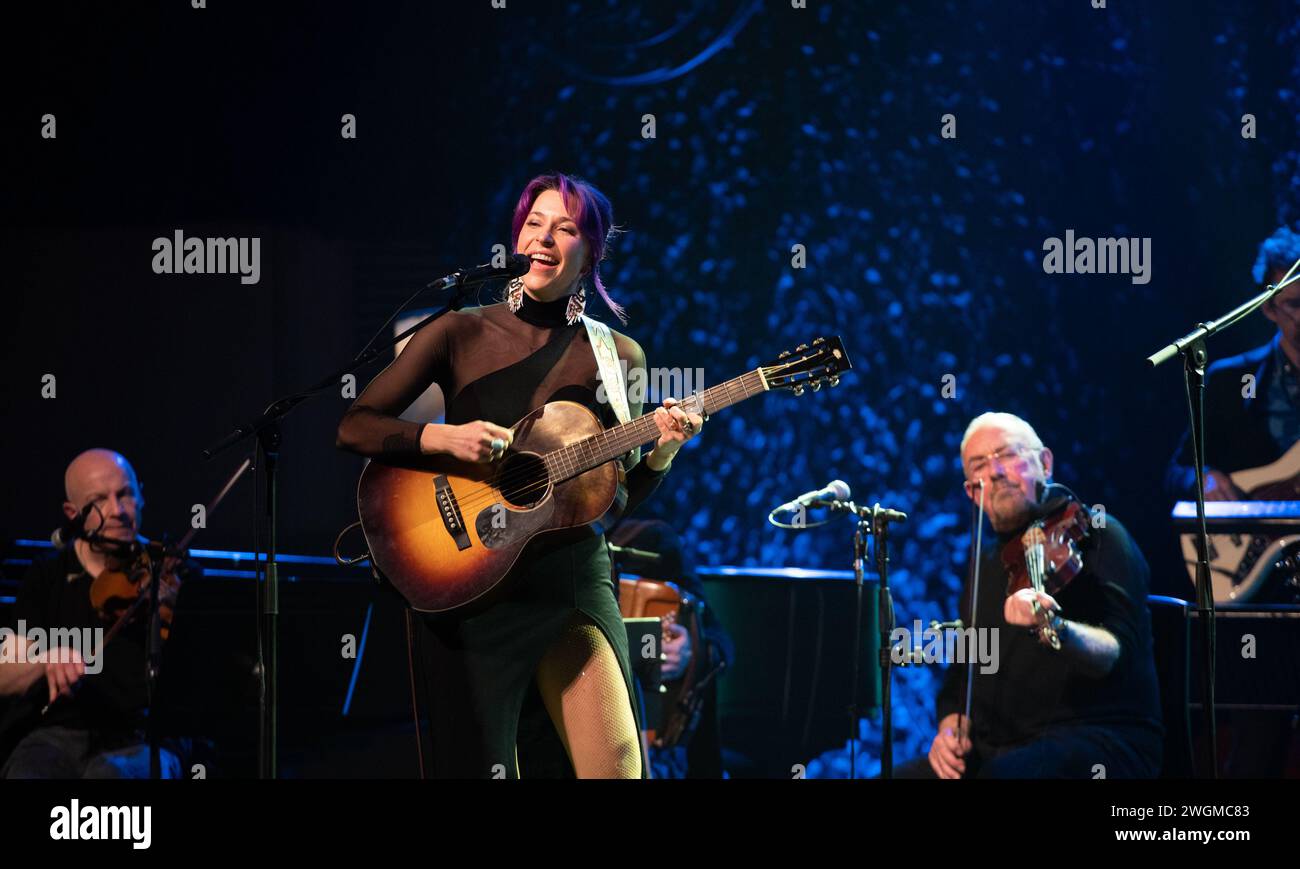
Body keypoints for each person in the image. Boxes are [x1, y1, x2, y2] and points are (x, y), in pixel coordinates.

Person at [336, 173, 704, 778]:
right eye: (535, 223)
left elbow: (616, 500)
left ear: (592, 251)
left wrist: (662, 453)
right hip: (472, 579)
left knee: (616, 767)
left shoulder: (621, 357)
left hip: (571, 585)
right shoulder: (459, 330)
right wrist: (443, 436)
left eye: (566, 228)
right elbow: (355, 426)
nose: (544, 238)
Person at [898, 412, 1162, 779]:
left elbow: (1117, 654)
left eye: (1007, 454)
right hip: (999, 750)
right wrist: (949, 726)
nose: (994, 471)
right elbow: (963, 678)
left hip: (1098, 739)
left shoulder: (1098, 537)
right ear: (973, 492)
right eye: (979, 465)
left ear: (1045, 463)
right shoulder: (985, 563)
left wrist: (1055, 627)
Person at [0, 449, 189, 778]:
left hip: (144, 737)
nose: (117, 511)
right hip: (58, 734)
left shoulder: (170, 572)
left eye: (126, 494)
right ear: (72, 513)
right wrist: (43, 662)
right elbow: (4, 674)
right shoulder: (48, 575)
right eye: (99, 500)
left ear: (141, 496)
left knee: (108, 776)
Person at [1166, 225, 1300, 500]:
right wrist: (1203, 480)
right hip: (1258, 537)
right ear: (1269, 309)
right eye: (1295, 304)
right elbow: (1178, 470)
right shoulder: (1231, 380)